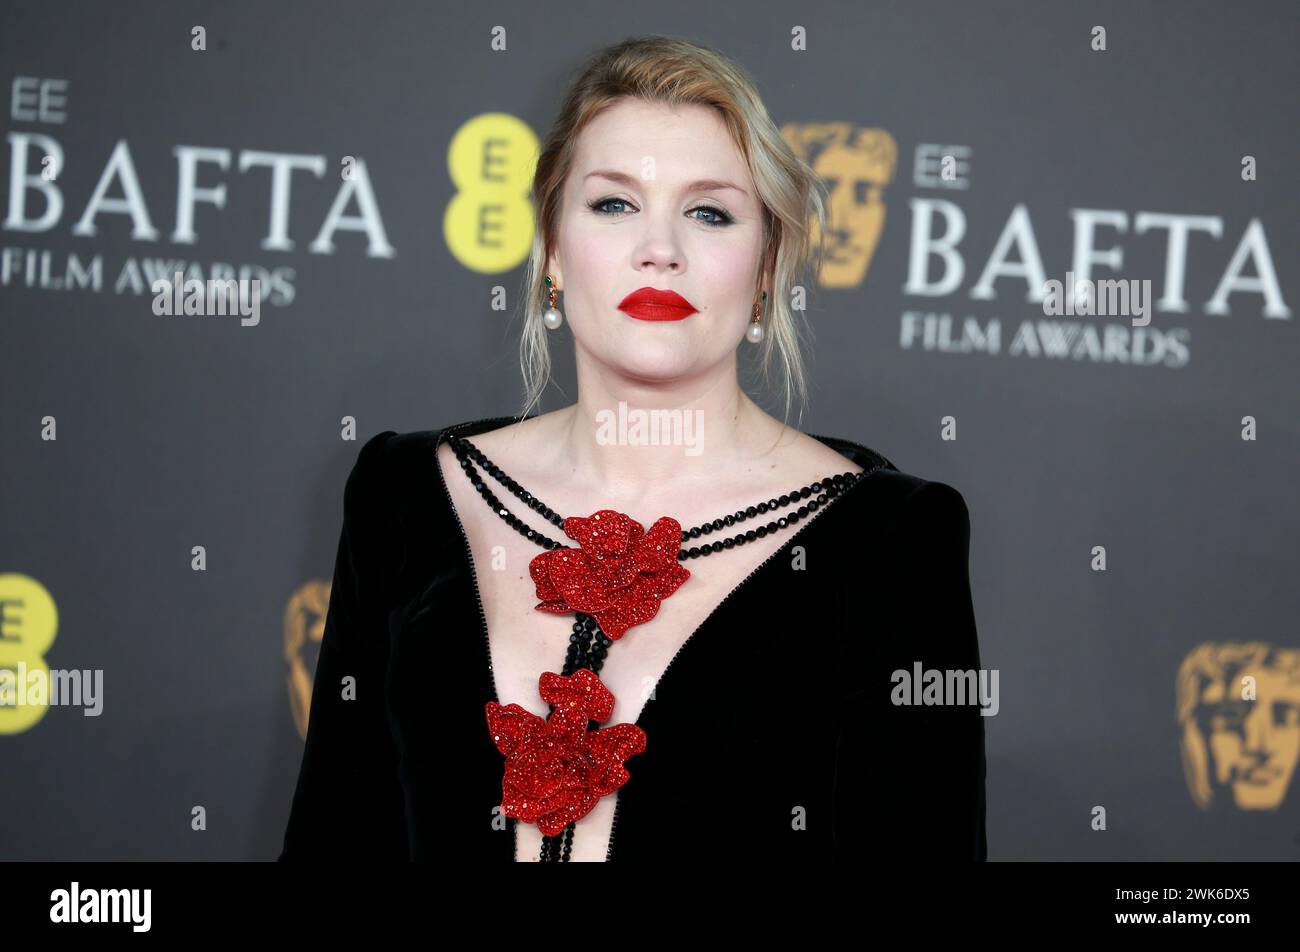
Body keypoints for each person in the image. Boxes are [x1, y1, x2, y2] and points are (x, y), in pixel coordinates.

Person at [279, 35, 987, 863]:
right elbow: (332, 839)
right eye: (614, 203)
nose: (661, 248)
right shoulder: (403, 494)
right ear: (550, 250)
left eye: (710, 212)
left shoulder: (893, 541)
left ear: (765, 271)